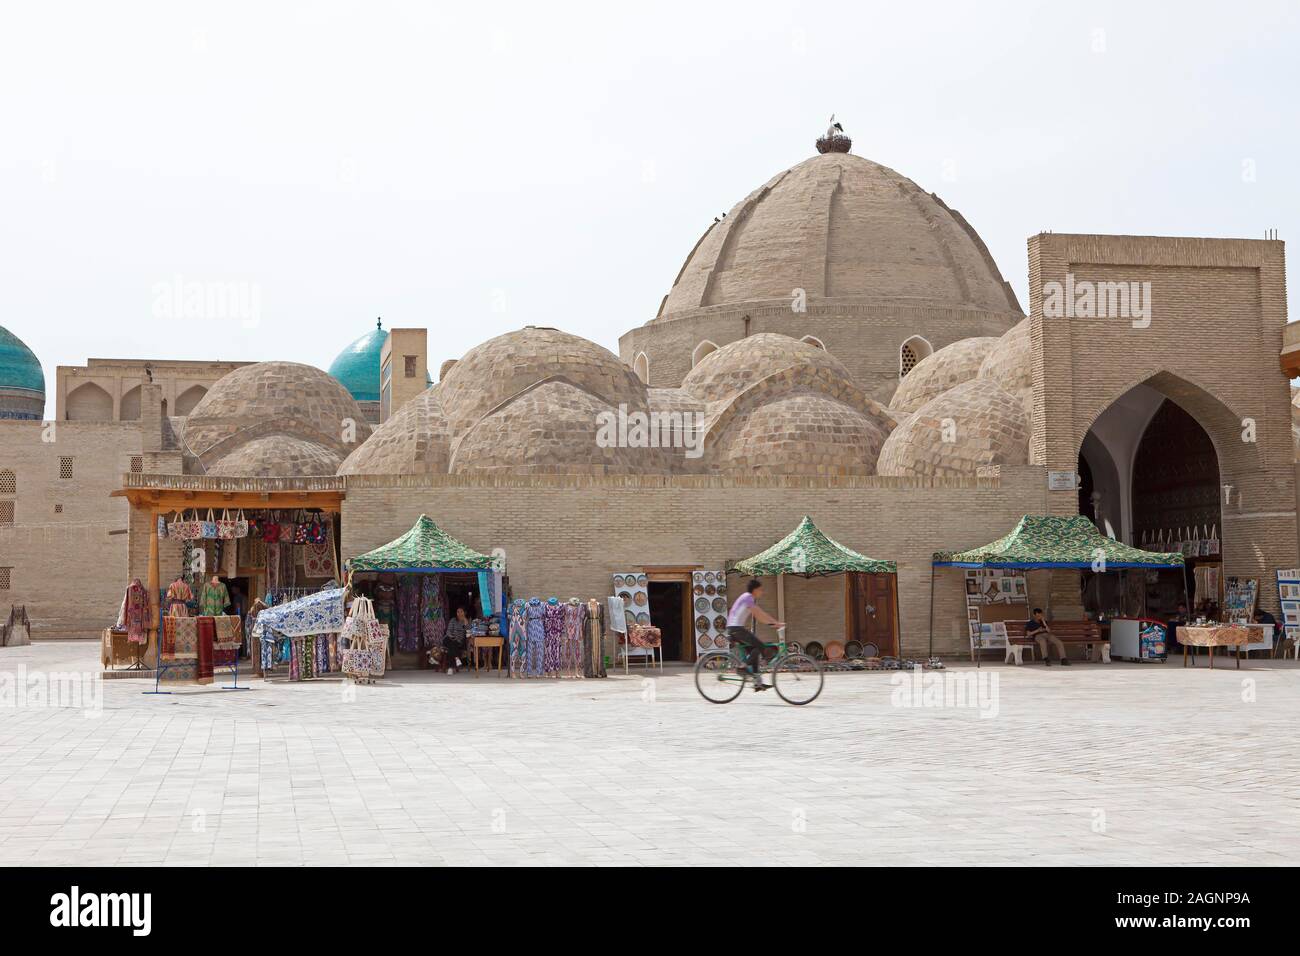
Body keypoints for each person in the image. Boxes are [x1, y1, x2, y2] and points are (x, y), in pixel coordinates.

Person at [726, 579, 785, 691]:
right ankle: (742, 667)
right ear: (755, 590)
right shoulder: (748, 597)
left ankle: (758, 683)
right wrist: (775, 623)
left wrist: (773, 623)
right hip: (736, 629)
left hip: (734, 628)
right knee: (760, 646)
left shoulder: (748, 598)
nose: (762, 592)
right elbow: (759, 614)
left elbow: (760, 614)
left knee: (755, 652)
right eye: (761, 590)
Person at [442, 607, 470, 674]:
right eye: (458, 612)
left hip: (458, 641)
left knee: (453, 645)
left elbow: (468, 632)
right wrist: (451, 636)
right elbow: (448, 631)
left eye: (461, 612)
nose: (459, 613)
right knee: (451, 642)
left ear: (464, 612)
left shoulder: (466, 621)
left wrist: (466, 623)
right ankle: (457, 658)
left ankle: (450, 667)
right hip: (448, 639)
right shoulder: (453, 620)